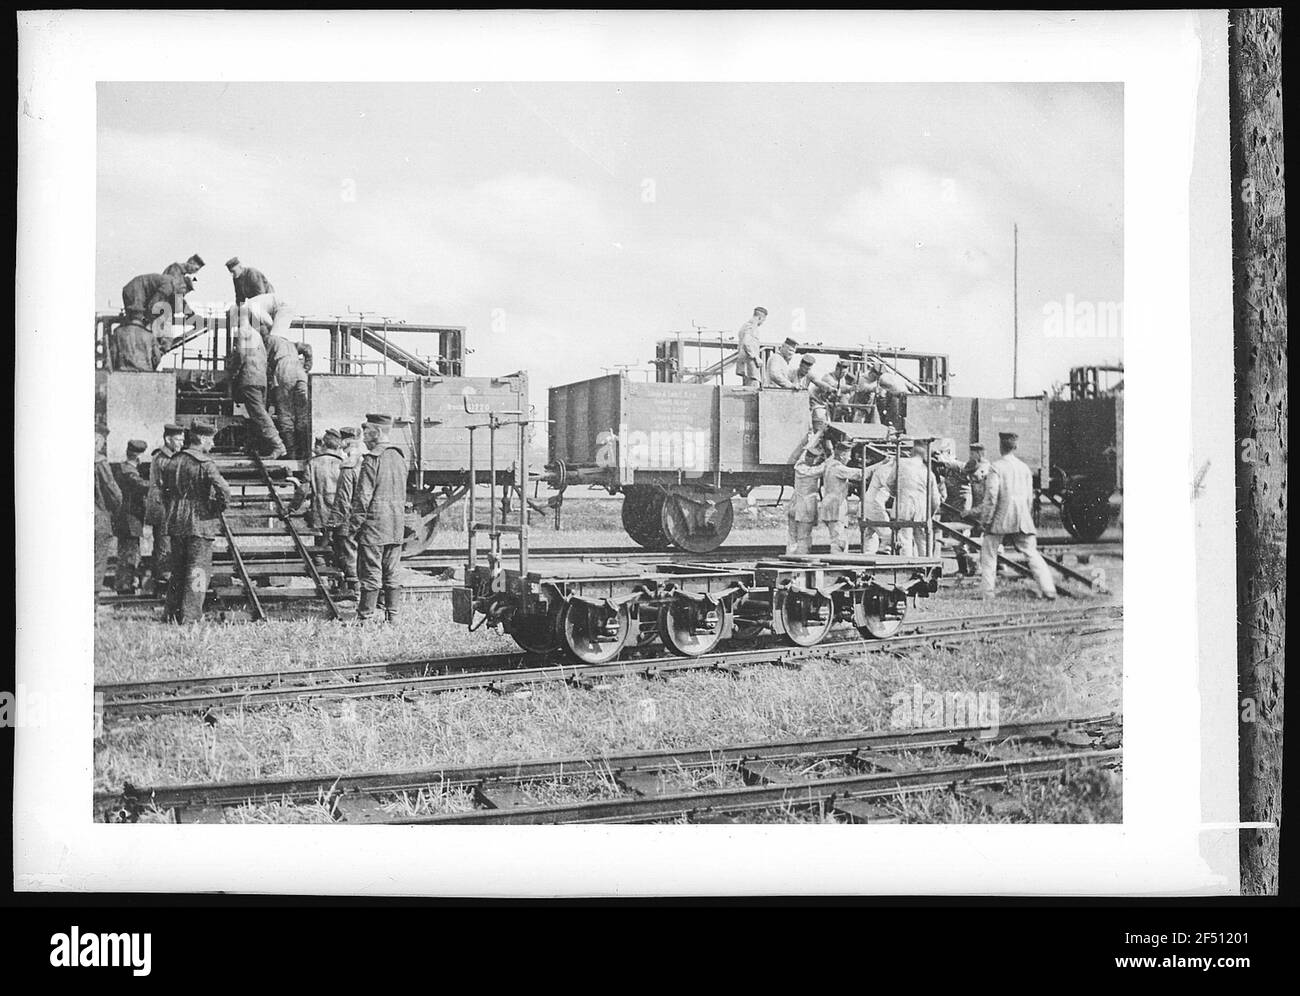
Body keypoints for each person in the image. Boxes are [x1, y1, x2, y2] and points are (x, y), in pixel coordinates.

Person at [164, 421, 232, 623]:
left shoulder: (173, 460)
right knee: (198, 571)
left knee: (178, 570)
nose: (212, 444)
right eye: (210, 439)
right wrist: (217, 507)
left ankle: (171, 614)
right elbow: (225, 490)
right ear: (202, 439)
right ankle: (191, 617)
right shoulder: (205, 463)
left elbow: (165, 490)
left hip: (176, 521)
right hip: (199, 522)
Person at [977, 432, 1057, 600]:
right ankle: (1049, 589)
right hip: (1022, 518)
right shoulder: (1024, 468)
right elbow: (1029, 498)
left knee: (989, 554)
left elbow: (991, 497)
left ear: (1000, 446)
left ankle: (987, 593)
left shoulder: (996, 467)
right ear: (1016, 447)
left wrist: (985, 520)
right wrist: (1024, 515)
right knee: (1032, 553)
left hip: (1001, 518)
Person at [351, 414, 408, 622]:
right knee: (392, 571)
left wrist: (354, 525)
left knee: (371, 573)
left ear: (378, 432)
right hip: (395, 524)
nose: (364, 438)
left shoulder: (372, 459)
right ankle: (393, 616)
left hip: (374, 525)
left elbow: (363, 497)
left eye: (367, 432)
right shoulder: (400, 456)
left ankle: (364, 617)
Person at [226, 303, 285, 458]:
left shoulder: (242, 331)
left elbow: (240, 354)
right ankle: (258, 447)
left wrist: (234, 372)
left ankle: (278, 445)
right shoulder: (257, 334)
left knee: (258, 413)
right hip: (261, 378)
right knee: (258, 413)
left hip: (249, 378)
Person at [875, 438, 942, 557]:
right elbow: (935, 500)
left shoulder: (901, 464)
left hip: (903, 507)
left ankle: (906, 568)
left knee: (904, 540)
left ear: (912, 452)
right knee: (924, 542)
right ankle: (926, 567)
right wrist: (930, 514)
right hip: (922, 510)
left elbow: (889, 483)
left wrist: (899, 494)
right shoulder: (927, 472)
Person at [143, 423, 186, 596]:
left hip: (164, 507)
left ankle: (161, 581)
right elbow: (170, 485)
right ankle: (163, 583)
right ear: (168, 439)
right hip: (163, 507)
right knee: (164, 545)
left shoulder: (167, 456)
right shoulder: (164, 458)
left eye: (183, 439)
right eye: (178, 439)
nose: (181, 443)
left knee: (164, 544)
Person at [261, 318, 310, 459]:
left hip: (283, 371)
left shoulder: (269, 340)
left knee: (285, 413)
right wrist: (306, 368)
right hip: (299, 370)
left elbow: (263, 361)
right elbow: (308, 349)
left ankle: (292, 453)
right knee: (302, 412)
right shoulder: (289, 343)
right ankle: (305, 452)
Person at [111, 439, 149, 594]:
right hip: (129, 518)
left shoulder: (125, 469)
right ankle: (124, 586)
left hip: (127, 518)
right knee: (129, 553)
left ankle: (126, 584)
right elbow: (141, 485)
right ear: (138, 456)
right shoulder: (129, 472)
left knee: (128, 551)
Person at [331, 427, 364, 597]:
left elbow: (343, 498)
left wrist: (334, 520)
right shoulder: (365, 461)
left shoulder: (348, 465)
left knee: (348, 551)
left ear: (346, 442)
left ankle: (355, 590)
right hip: (363, 516)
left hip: (349, 517)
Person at [785, 429, 828, 555]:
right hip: (805, 506)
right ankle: (801, 559)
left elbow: (805, 450)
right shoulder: (810, 471)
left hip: (794, 504)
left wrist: (818, 434)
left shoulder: (799, 466)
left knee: (792, 535)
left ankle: (789, 556)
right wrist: (830, 458)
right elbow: (823, 468)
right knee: (804, 536)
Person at [94, 423, 123, 603]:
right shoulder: (99, 462)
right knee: (97, 562)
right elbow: (115, 494)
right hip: (98, 520)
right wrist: (113, 511)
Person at [817, 438, 859, 553]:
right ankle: (838, 562)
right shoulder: (838, 468)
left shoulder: (829, 463)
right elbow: (859, 474)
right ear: (841, 456)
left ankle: (839, 560)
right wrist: (880, 465)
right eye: (848, 455)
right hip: (835, 506)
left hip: (829, 504)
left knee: (837, 537)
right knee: (839, 540)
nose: (849, 458)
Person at [860, 459, 893, 555]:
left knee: (870, 535)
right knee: (888, 535)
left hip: (869, 505)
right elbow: (890, 487)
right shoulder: (886, 470)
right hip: (874, 505)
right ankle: (884, 551)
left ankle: (868, 555)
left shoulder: (886, 469)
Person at [735, 307, 767, 386]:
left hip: (746, 366)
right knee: (753, 391)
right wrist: (756, 358)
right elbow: (746, 343)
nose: (762, 323)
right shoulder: (752, 327)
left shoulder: (744, 326)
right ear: (760, 318)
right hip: (750, 367)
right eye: (763, 320)